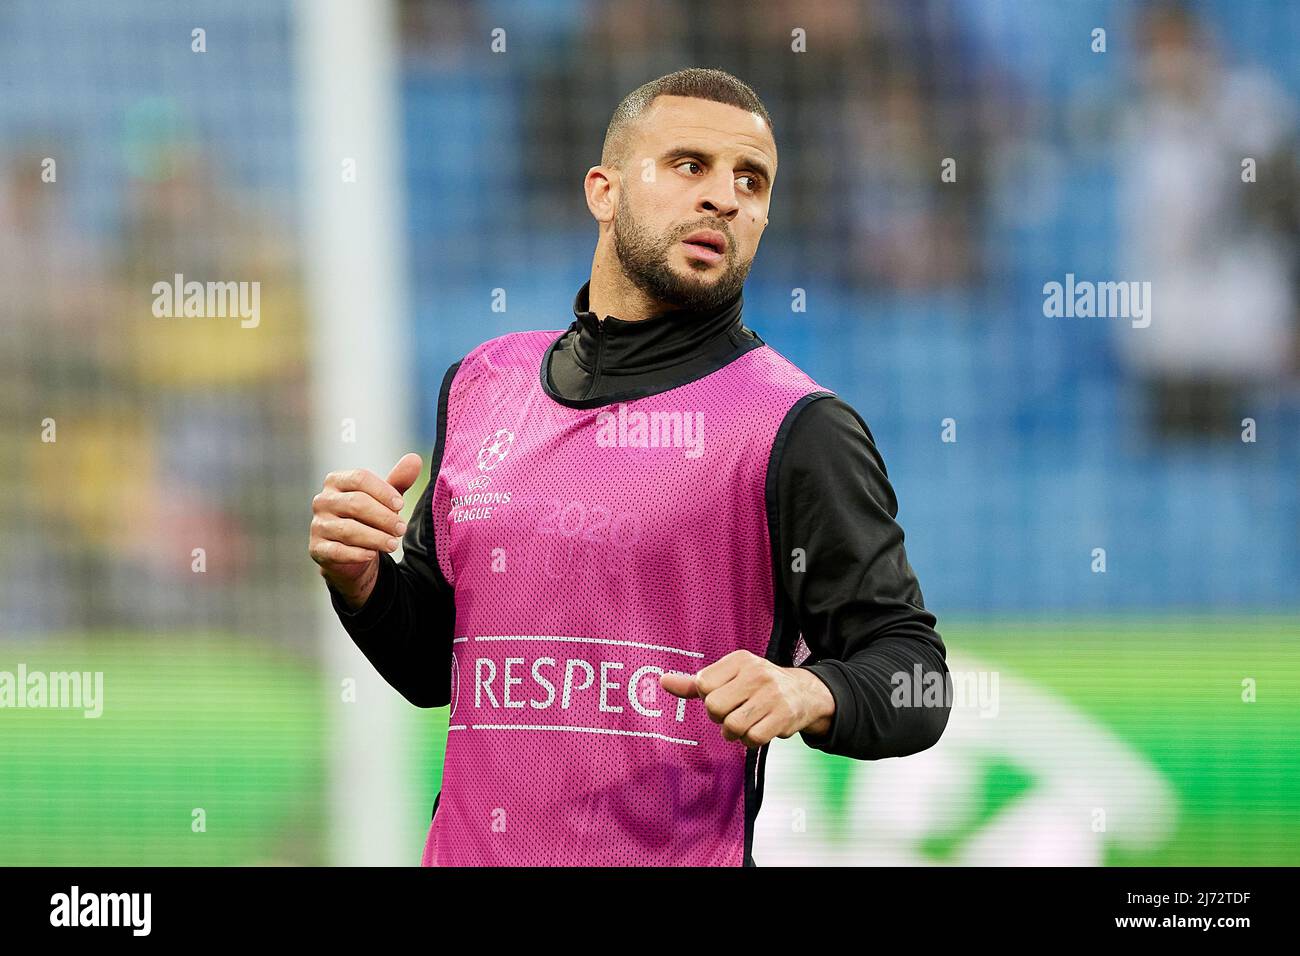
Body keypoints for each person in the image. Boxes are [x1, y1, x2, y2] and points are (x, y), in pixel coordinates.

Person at [308, 68, 950, 866]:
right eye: (690, 166)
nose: (724, 197)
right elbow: (435, 664)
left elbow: (916, 678)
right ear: (603, 192)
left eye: (750, 181)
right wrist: (364, 583)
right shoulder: (481, 384)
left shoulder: (795, 426)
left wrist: (810, 690)